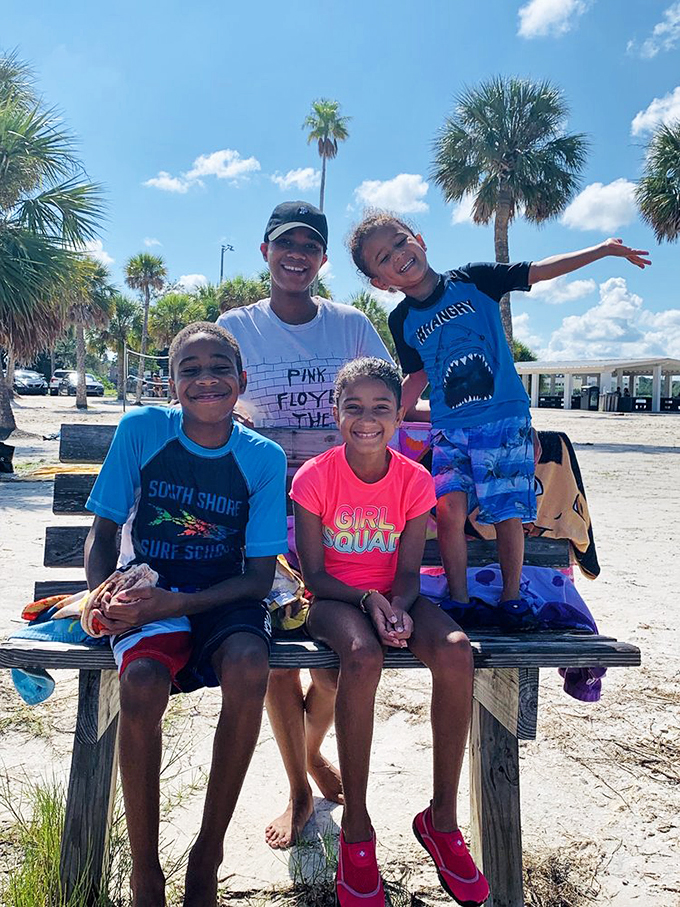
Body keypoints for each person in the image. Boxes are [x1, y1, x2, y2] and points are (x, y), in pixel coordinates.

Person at [348, 212, 650, 610]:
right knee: (449, 510)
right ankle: (459, 601)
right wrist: (379, 416)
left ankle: (511, 599)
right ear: (380, 282)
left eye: (401, 241)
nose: (399, 255)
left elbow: (537, 271)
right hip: (449, 430)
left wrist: (603, 250)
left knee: (507, 511)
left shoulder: (474, 279)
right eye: (384, 258)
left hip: (503, 422)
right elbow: (417, 378)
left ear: (419, 238)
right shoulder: (402, 320)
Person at [84, 322, 287, 907]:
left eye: (219, 366)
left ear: (241, 380)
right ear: (171, 383)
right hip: (153, 592)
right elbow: (101, 534)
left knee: (251, 664)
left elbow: (256, 576)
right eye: (189, 369)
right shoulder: (143, 430)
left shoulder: (261, 458)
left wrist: (184, 604)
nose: (206, 378)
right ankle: (145, 873)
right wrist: (102, 598)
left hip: (225, 598)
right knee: (142, 682)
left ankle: (208, 854)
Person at [217, 201, 396, 849]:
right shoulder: (236, 325)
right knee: (273, 655)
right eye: (284, 242)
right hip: (262, 514)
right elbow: (209, 405)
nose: (296, 253)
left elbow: (390, 397)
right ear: (265, 252)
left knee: (332, 670)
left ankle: (312, 747)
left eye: (309, 246)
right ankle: (297, 786)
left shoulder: (351, 325)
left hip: (341, 514)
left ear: (323, 261)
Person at [293, 357, 486, 907]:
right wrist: (369, 601)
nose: (367, 419)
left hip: (394, 596)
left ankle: (441, 819)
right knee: (360, 654)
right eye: (354, 407)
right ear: (336, 412)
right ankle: (356, 828)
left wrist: (397, 607)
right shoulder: (316, 477)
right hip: (334, 600)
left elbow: (406, 574)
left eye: (382, 407)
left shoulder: (414, 479)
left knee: (454, 652)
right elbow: (315, 575)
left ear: (399, 415)